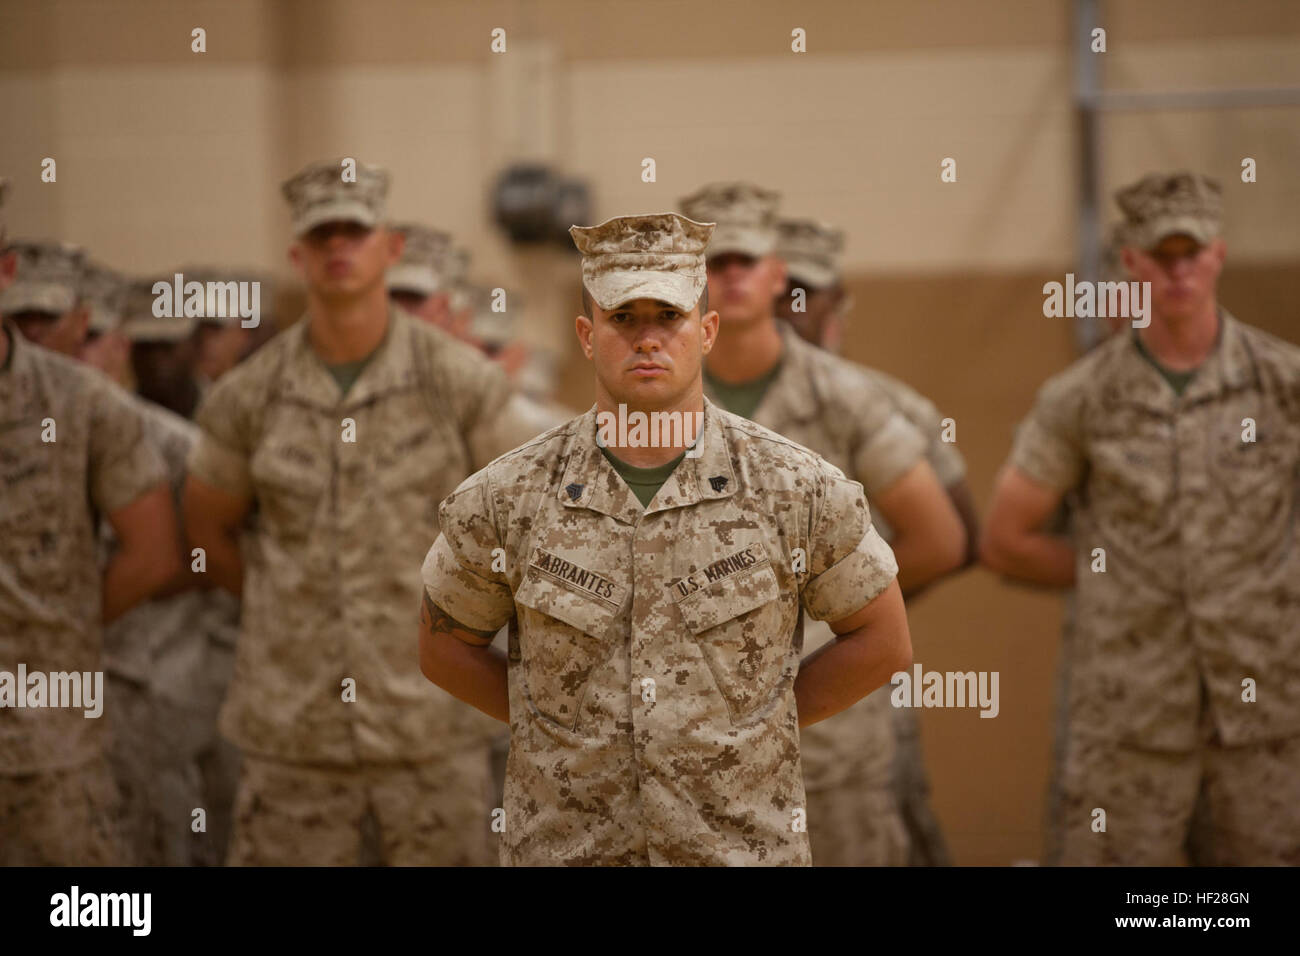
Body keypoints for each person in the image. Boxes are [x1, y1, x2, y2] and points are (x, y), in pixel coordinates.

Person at [419, 211, 913, 866]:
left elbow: (882, 640)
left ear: (706, 331)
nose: (647, 339)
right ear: (587, 336)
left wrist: (755, 733)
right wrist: (567, 735)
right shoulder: (508, 496)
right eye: (624, 319)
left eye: (669, 317)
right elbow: (442, 644)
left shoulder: (793, 487)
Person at [182, 158, 532, 866]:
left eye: (355, 231)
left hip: (430, 724)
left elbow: (525, 527)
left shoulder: (460, 384)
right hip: (294, 735)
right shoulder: (249, 397)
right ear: (298, 256)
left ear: (390, 248)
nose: (338, 247)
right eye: (322, 236)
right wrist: (292, 609)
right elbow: (207, 534)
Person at [981, 171, 1300, 865]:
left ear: (1219, 253)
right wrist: (1115, 576)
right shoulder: (1083, 399)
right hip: (1132, 719)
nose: (1178, 270)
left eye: (1193, 251)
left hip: (1267, 716)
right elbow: (1007, 538)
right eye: (1162, 255)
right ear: (1131, 262)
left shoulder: (1283, 385)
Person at [679, 183, 966, 866]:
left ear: (777, 275)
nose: (731, 278)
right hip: (694, 734)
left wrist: (841, 618)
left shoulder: (842, 396)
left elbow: (941, 539)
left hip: (829, 738)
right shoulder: (663, 397)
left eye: (745, 261)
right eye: (714, 265)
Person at [774, 213, 976, 866]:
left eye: (806, 295)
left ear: (838, 305)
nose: (791, 311)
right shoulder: (702, 407)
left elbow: (959, 535)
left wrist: (850, 613)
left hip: (853, 683)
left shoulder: (881, 405)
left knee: (891, 828)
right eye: (781, 293)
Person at [0, 180, 181, 864]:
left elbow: (154, 552)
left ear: (5, 269)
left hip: (50, 748)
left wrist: (54, 632)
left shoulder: (80, 402)